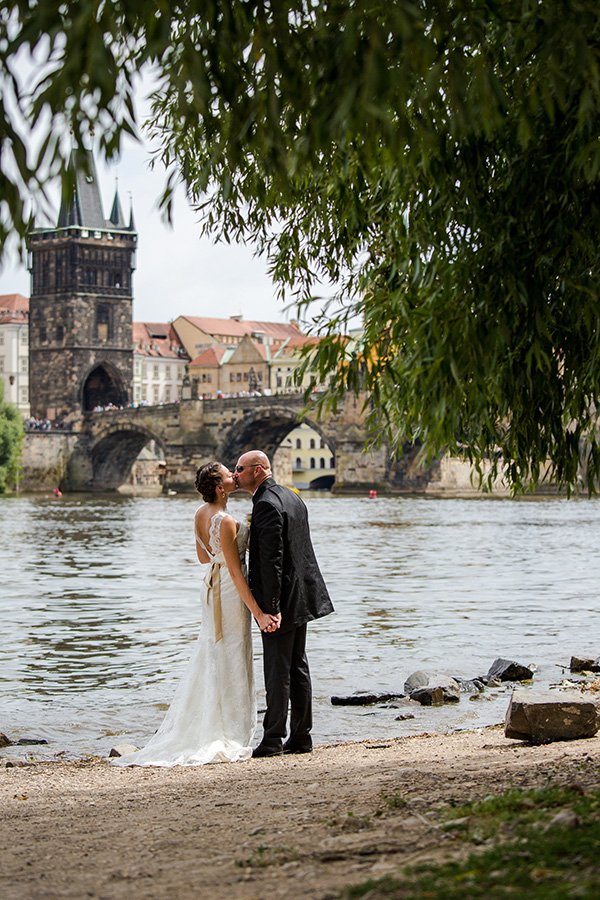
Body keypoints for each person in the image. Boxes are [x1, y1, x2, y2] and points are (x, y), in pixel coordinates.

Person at [112, 462, 279, 767]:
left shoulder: (200, 514)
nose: (235, 476)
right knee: (232, 653)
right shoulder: (225, 520)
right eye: (230, 474)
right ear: (219, 487)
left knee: (213, 652)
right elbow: (235, 571)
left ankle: (208, 719)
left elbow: (205, 557)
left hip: (210, 588)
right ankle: (229, 728)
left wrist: (226, 551)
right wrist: (258, 611)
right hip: (229, 591)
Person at [234, 450, 334, 757]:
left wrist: (270, 607)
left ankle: (273, 738)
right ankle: (301, 737)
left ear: (260, 470)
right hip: (302, 594)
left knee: (277, 669)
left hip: (281, 600)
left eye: (241, 468)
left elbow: (272, 560)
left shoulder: (265, 504)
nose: (235, 473)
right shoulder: (293, 497)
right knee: (297, 665)